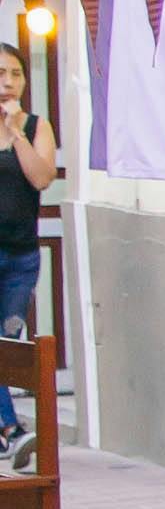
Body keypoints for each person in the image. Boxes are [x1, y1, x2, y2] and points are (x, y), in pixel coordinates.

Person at [0, 39, 57, 468]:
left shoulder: (36, 125)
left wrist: (17, 133)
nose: (8, 82)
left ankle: (8, 432)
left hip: (21, 257)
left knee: (10, 343)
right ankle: (13, 429)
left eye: (15, 73)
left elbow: (41, 178)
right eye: (1, 74)